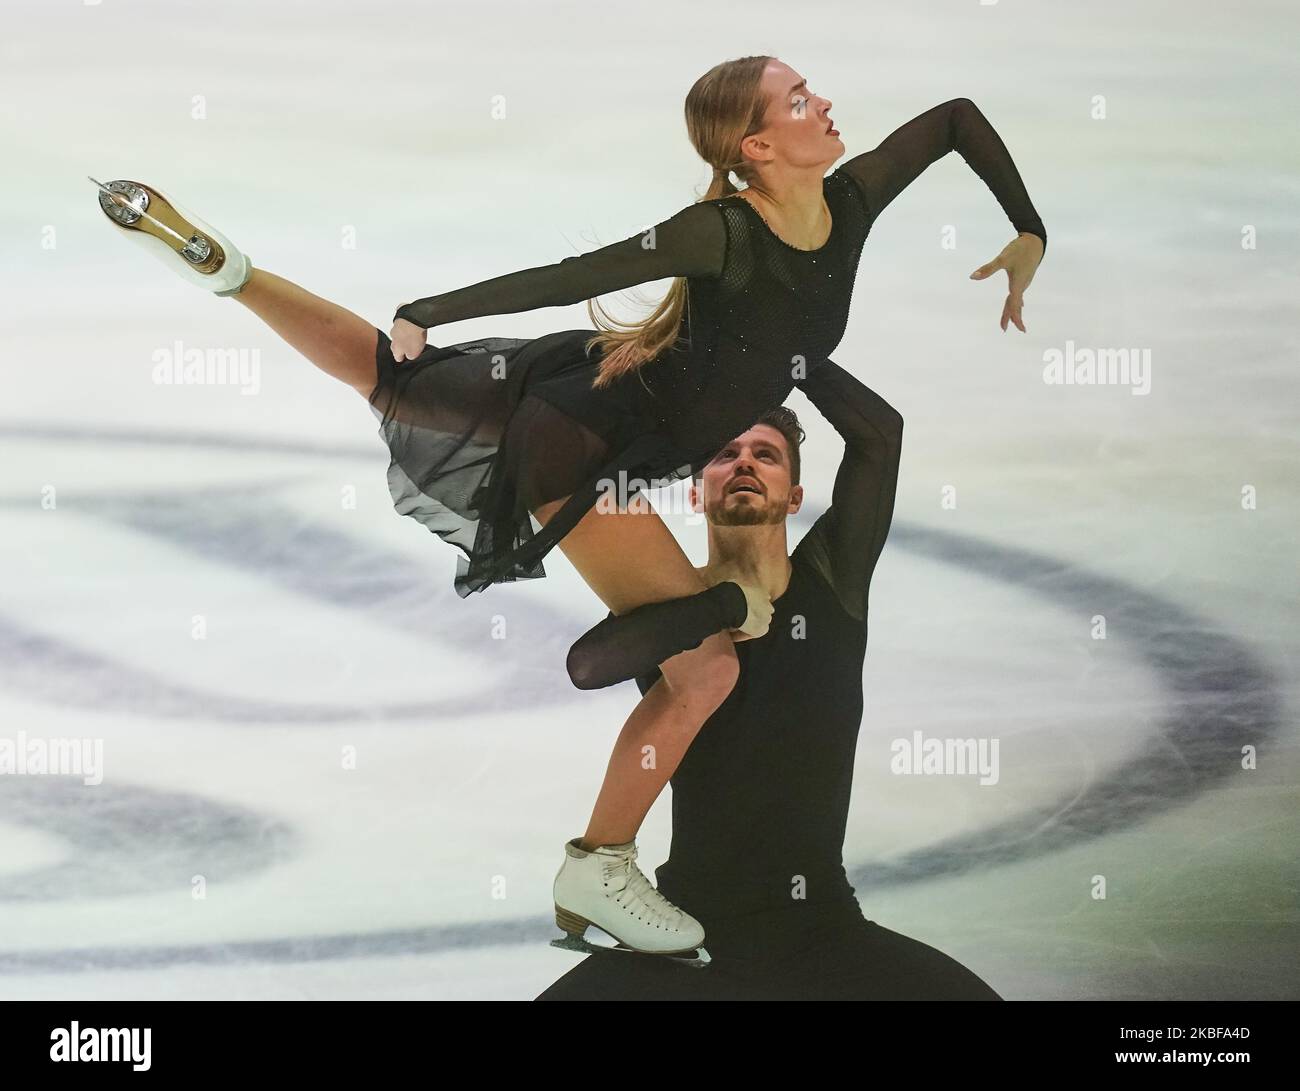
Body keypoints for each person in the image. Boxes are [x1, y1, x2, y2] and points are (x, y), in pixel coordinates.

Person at [90, 54, 1044, 958]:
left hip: (595, 392)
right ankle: (599, 867)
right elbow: (584, 274)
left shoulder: (851, 199)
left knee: (383, 377)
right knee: (705, 673)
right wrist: (439, 306)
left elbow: (955, 119)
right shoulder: (721, 232)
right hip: (588, 441)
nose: (823, 104)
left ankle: (227, 270)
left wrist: (1028, 230)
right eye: (798, 100)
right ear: (754, 148)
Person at [538, 357, 1001, 999]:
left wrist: (790, 354)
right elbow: (587, 666)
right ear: (698, 491)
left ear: (793, 496)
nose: (746, 463)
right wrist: (717, 610)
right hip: (684, 932)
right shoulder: (673, 612)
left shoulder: (834, 581)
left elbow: (881, 435)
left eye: (766, 454)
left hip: (822, 931)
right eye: (725, 454)